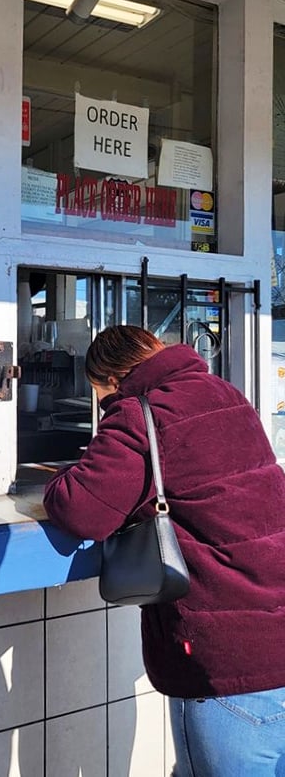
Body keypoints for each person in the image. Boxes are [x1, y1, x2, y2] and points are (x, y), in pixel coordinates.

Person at [43, 325, 285, 777]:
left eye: (98, 393)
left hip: (227, 661)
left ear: (111, 379)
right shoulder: (227, 393)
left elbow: (82, 511)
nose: (100, 404)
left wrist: (57, 480)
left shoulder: (141, 412)